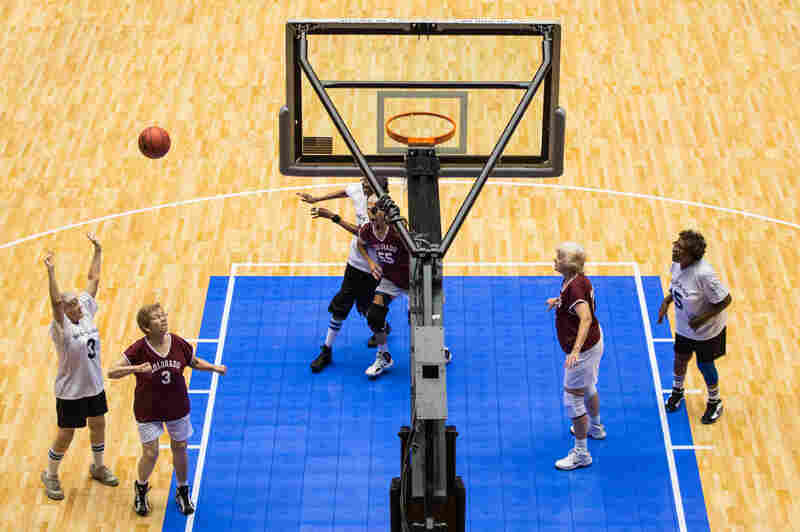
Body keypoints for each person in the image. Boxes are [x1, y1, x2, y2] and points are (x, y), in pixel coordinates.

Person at [108, 303, 227, 516]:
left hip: (177, 406)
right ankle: (141, 487)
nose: (163, 319)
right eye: (157, 317)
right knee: (150, 453)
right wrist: (135, 368)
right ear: (146, 327)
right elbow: (112, 372)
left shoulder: (177, 342)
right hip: (148, 409)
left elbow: (192, 361)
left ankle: (182, 490)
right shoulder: (139, 349)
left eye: (163, 315)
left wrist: (213, 367)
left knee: (180, 447)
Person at [41, 233, 119, 501]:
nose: (79, 305)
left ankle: (98, 467)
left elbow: (93, 279)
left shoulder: (85, 311)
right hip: (70, 391)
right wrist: (51, 272)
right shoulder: (60, 327)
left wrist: (98, 250)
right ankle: (50, 474)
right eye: (72, 304)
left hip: (94, 386)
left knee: (99, 424)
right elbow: (54, 301)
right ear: (64, 310)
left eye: (77, 301)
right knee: (66, 434)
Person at [299, 176, 392, 373]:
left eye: (367, 185)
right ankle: (326, 350)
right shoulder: (359, 189)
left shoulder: (383, 210)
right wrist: (316, 199)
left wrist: (334, 217)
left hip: (374, 270)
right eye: (363, 183)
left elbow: (362, 233)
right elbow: (345, 191)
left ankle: (383, 345)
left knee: (370, 312)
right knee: (340, 306)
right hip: (354, 264)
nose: (363, 186)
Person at [658, 230, 732, 424]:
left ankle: (715, 401)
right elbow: (678, 287)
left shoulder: (704, 275)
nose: (675, 249)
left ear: (692, 255)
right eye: (676, 244)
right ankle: (677, 391)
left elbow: (725, 300)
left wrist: (701, 320)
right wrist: (667, 301)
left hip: (706, 332)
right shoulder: (677, 263)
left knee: (704, 365)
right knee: (680, 358)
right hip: (684, 326)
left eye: (680, 248)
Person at [546, 242, 605, 471]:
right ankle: (595, 428)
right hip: (594, 343)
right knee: (587, 386)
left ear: (569, 264)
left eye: (559, 257)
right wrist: (558, 302)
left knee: (572, 399)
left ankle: (581, 454)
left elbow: (586, 318)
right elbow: (575, 304)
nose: (555, 259)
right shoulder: (575, 280)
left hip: (584, 351)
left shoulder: (576, 288)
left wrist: (575, 351)